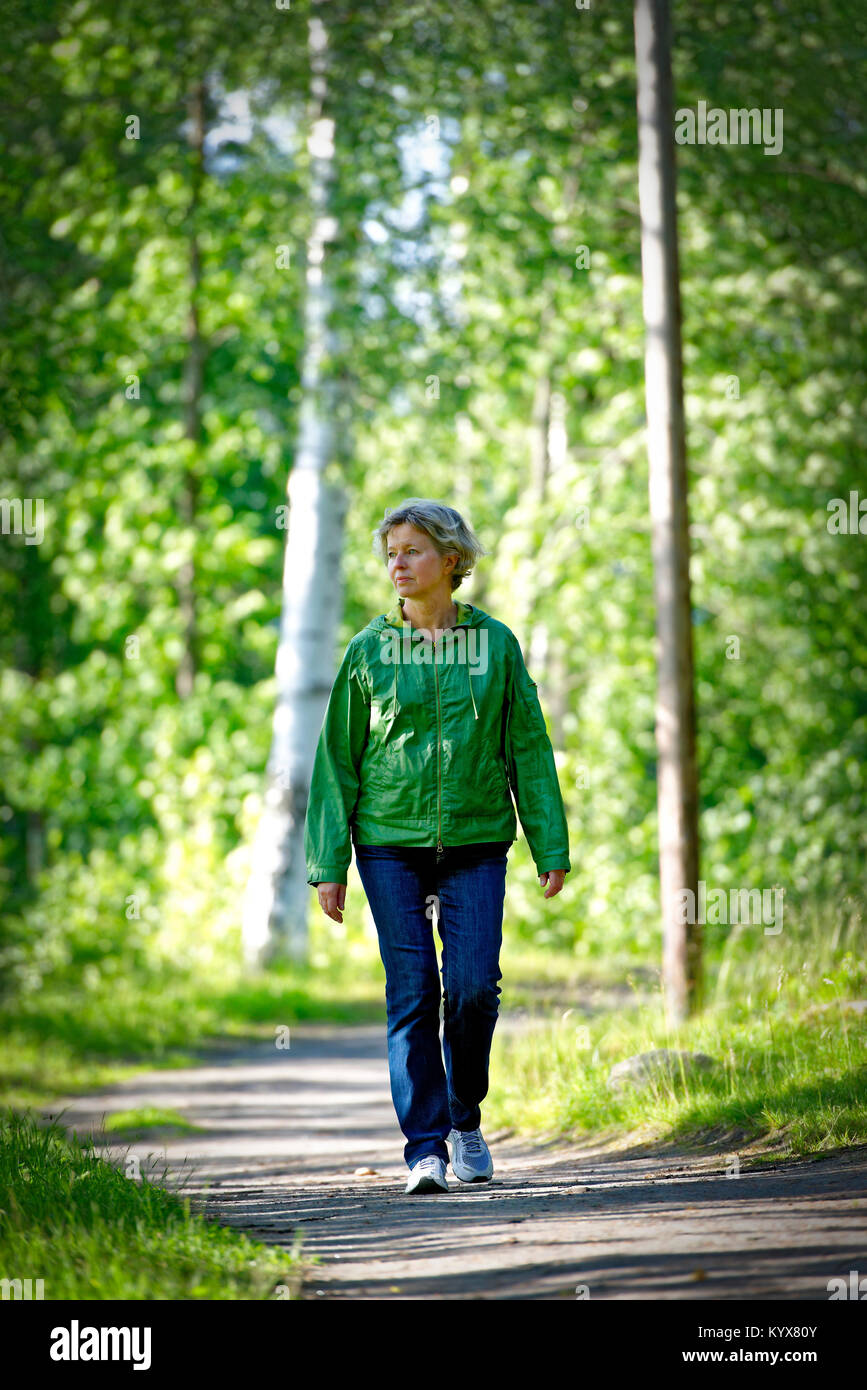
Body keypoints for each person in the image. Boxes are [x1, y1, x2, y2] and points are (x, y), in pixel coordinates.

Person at [304, 498, 571, 1194]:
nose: (397, 563)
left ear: (450, 561)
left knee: (475, 989)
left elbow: (528, 749)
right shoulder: (368, 651)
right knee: (414, 991)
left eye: (412, 551)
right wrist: (327, 862)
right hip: (388, 841)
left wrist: (550, 843)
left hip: (478, 839)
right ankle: (425, 1149)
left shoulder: (497, 646)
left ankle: (464, 1115)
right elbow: (337, 760)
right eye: (390, 552)